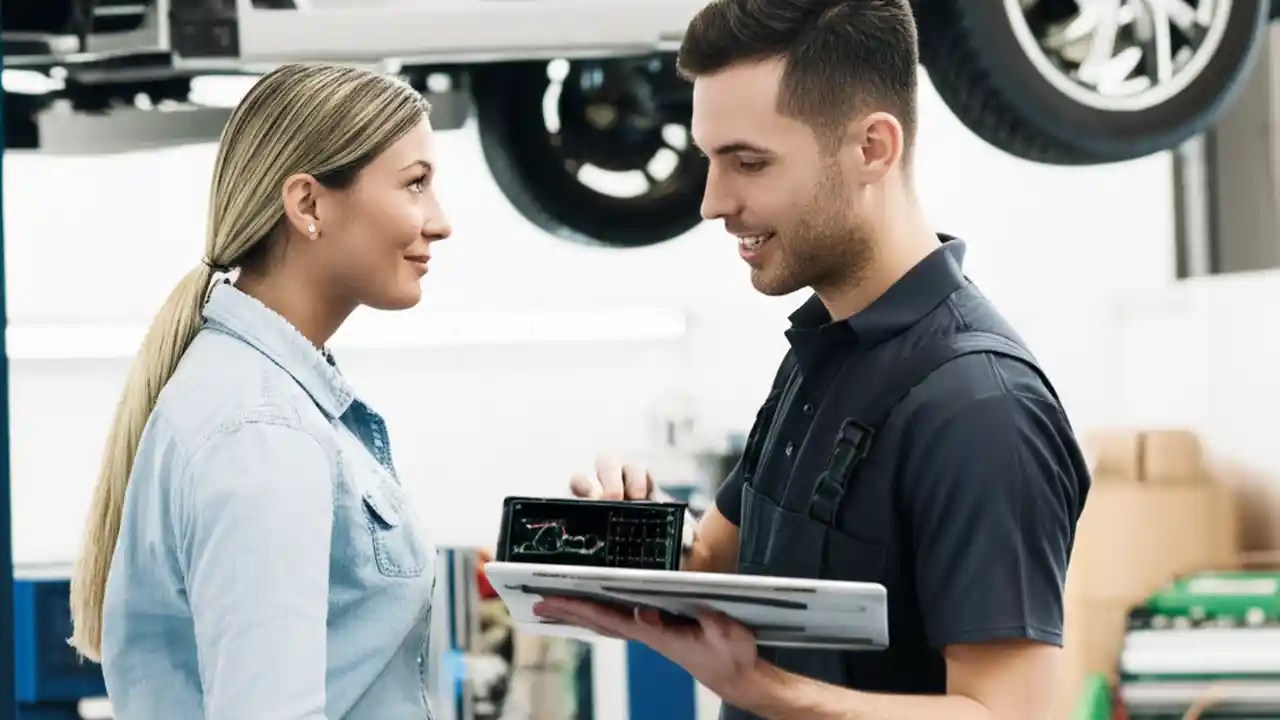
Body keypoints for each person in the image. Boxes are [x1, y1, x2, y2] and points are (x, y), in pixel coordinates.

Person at [536, 1, 1091, 718]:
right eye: (710, 159)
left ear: (872, 149)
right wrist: (635, 536)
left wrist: (759, 690)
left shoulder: (980, 407)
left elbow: (1005, 713)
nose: (711, 202)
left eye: (748, 162)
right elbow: (715, 560)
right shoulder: (820, 354)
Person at [68, 63, 452, 718]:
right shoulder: (262, 432)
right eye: (414, 185)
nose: (439, 222)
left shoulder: (264, 401)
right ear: (307, 205)